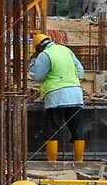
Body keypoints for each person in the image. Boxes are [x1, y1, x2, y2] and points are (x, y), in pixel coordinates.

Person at [30, 32, 86, 164]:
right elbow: (81, 72)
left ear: (38, 47)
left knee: (52, 129)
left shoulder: (45, 55)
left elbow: (36, 75)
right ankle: (79, 161)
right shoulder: (66, 50)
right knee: (77, 129)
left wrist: (33, 62)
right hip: (76, 96)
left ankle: (52, 163)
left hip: (56, 98)